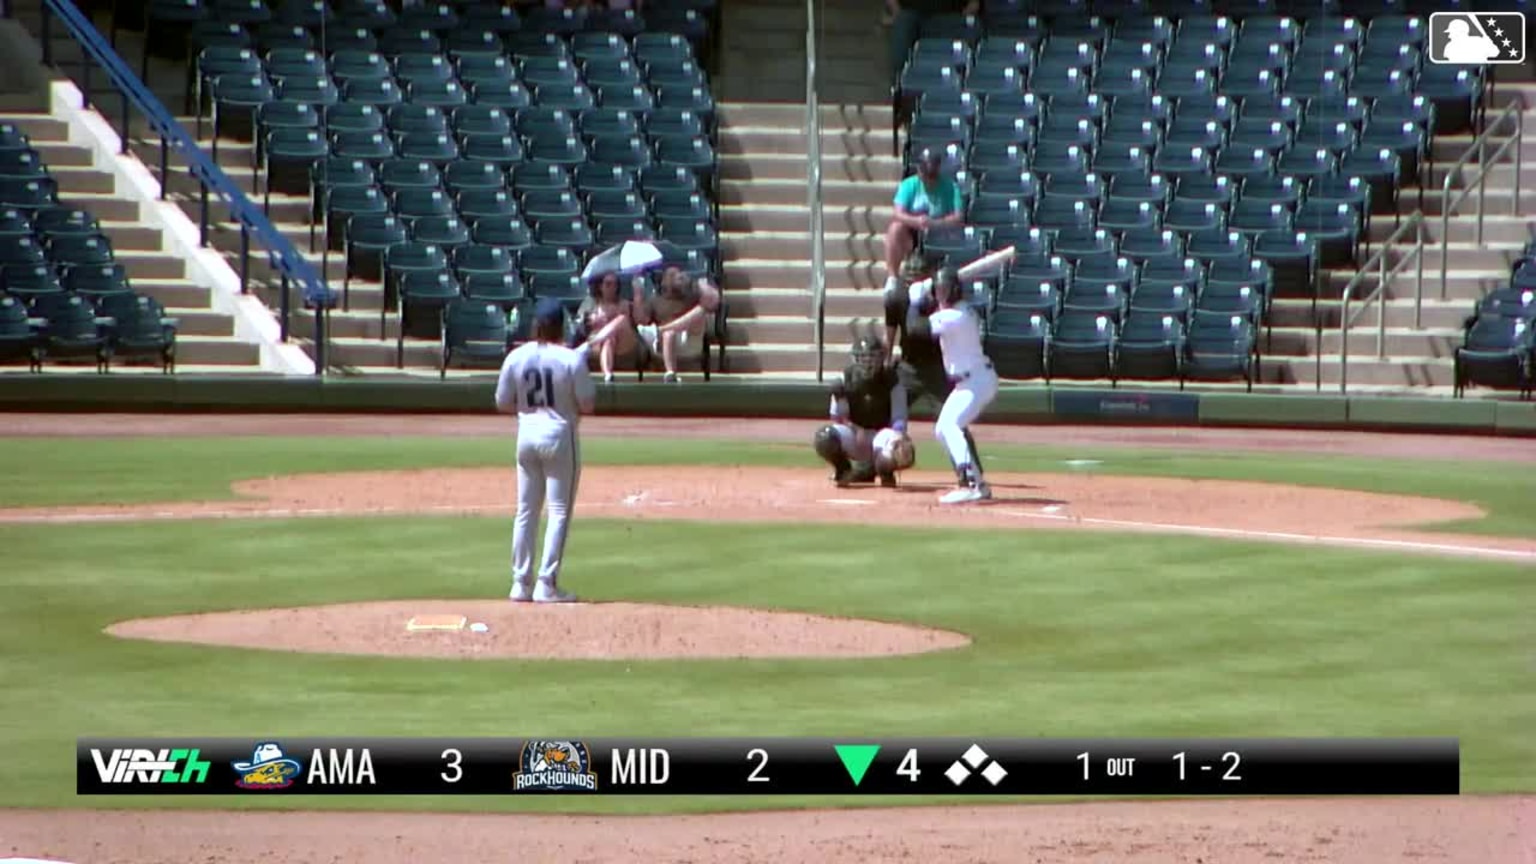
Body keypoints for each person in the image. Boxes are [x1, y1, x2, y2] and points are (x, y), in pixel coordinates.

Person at [495, 298, 603, 603]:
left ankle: (520, 583)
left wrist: (530, 410)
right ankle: (546, 583)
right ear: (560, 326)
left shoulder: (516, 356)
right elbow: (588, 404)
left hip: (526, 435)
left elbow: (502, 402)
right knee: (558, 511)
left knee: (525, 511)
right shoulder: (570, 359)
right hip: (559, 436)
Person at [883, 252, 986, 482]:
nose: (913, 279)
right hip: (908, 367)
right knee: (886, 414)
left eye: (918, 275)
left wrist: (919, 303)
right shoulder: (896, 297)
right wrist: (887, 359)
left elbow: (917, 329)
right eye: (909, 275)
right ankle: (882, 466)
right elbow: (891, 330)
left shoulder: (940, 297)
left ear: (929, 275)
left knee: (952, 422)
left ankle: (971, 471)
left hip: (937, 368)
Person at [927, 266, 997, 504]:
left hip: (976, 380)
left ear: (955, 290)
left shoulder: (954, 316)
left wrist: (913, 301)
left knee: (951, 426)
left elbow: (916, 329)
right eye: (938, 290)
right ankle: (979, 485)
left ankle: (969, 484)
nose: (940, 294)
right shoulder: (956, 311)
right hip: (969, 381)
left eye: (944, 290)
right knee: (942, 430)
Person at [813, 333, 916, 488]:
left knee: (900, 445)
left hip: (880, 435)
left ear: (881, 358)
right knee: (824, 436)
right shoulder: (844, 379)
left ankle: (884, 471)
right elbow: (837, 418)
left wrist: (898, 439)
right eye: (863, 358)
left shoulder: (892, 381)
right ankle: (843, 469)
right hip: (854, 435)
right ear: (855, 359)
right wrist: (855, 429)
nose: (868, 364)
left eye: (873, 358)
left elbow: (899, 419)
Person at [884, 147, 965, 298]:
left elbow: (958, 216)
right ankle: (892, 278)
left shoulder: (950, 186)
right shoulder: (909, 184)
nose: (927, 177)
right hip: (913, 232)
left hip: (940, 232)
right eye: (924, 172)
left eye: (930, 174)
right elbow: (897, 213)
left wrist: (935, 223)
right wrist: (916, 221)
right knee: (895, 229)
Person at [635, 265, 721, 383]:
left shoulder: (691, 296)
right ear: (663, 282)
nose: (678, 277)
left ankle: (664, 329)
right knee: (668, 334)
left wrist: (698, 282)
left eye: (679, 274)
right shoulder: (655, 300)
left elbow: (713, 301)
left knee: (701, 311)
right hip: (663, 342)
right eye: (672, 275)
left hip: (688, 338)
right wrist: (638, 295)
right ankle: (671, 373)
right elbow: (641, 320)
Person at [574, 271, 643, 383]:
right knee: (609, 339)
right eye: (608, 284)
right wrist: (591, 321)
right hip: (600, 346)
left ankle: (588, 345)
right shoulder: (590, 303)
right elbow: (580, 325)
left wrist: (638, 296)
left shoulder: (625, 304)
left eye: (615, 284)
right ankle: (608, 375)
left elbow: (641, 320)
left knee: (622, 319)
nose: (612, 288)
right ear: (600, 286)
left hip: (624, 344)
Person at [888, 0, 980, 83]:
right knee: (903, 25)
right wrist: (896, 11)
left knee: (971, 27)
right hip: (913, 13)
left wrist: (970, 9)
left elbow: (974, 4)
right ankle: (902, 82)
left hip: (954, 14)